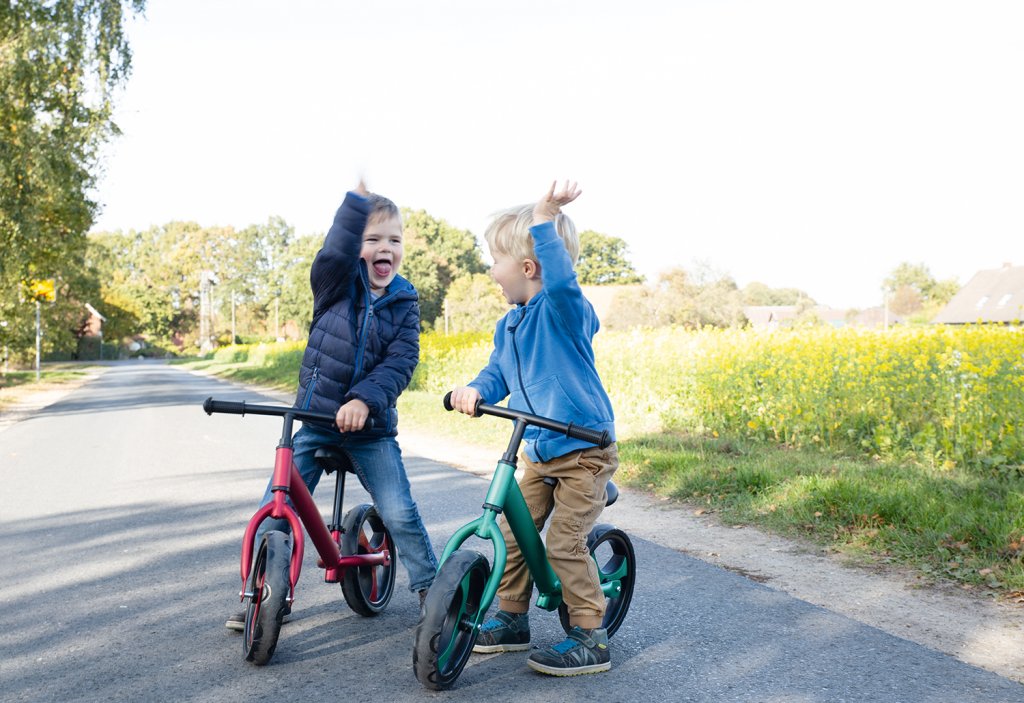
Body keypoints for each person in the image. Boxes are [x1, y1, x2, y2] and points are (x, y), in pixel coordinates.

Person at [226, 181, 438, 630]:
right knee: (274, 508)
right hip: (316, 421)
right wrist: (353, 209)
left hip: (370, 431)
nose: (385, 248)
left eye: (395, 240)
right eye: (373, 238)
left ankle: (432, 592)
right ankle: (259, 593)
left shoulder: (405, 301)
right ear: (356, 245)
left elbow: (402, 362)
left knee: (399, 512)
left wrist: (364, 399)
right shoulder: (335, 286)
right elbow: (334, 253)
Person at [448, 181, 618, 676]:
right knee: (513, 532)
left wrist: (545, 220)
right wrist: (475, 390)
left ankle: (590, 634)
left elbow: (560, 280)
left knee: (564, 541)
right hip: (539, 451)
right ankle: (511, 618)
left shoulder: (565, 310)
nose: (490, 270)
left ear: (528, 267)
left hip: (584, 451)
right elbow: (498, 373)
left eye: (495, 260)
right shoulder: (510, 325)